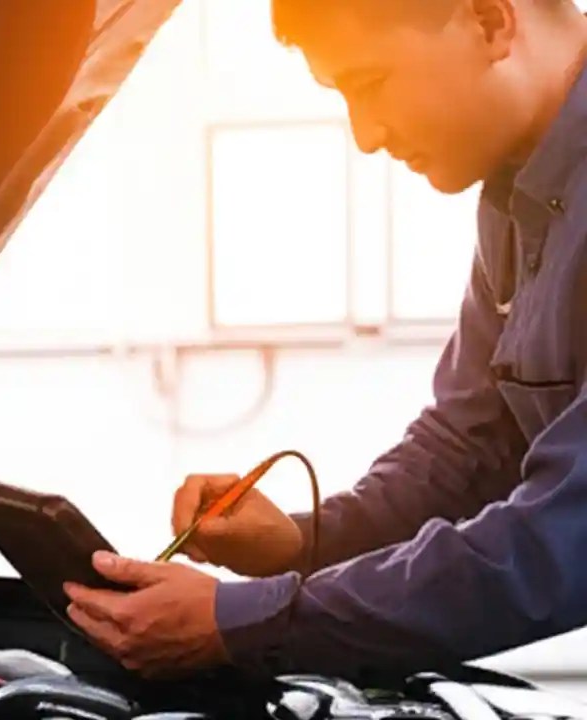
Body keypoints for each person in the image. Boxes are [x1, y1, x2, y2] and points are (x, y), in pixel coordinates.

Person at [64, 0, 587, 679]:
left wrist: (247, 621)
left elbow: (560, 540)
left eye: (369, 84)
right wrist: (304, 543)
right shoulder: (517, 195)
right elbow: (465, 450)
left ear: (489, 22)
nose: (365, 135)